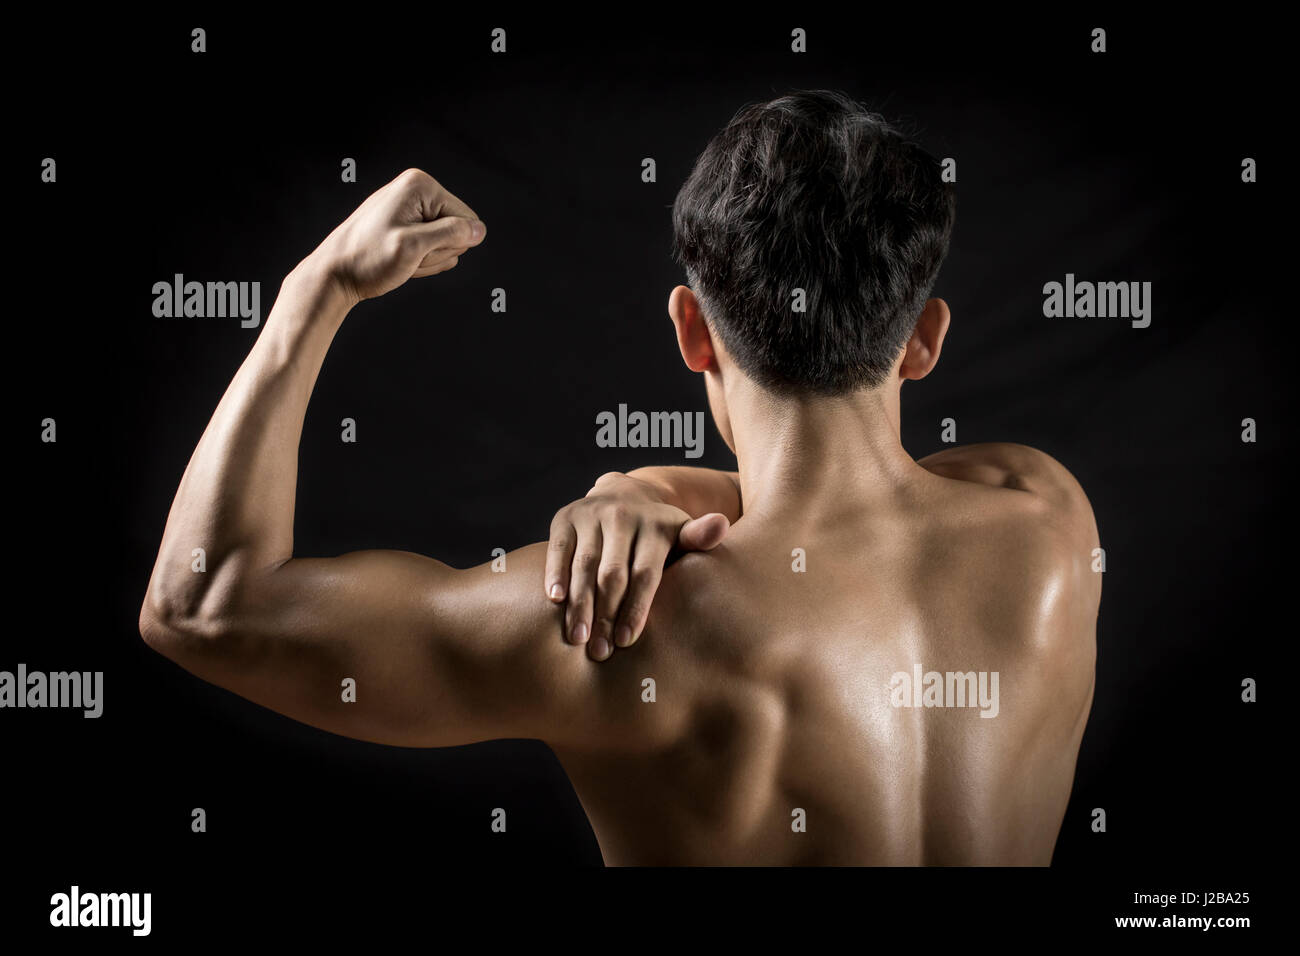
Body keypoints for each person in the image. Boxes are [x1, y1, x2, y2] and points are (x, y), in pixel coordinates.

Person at [140, 91, 1100, 865]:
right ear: (924, 340)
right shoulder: (1045, 519)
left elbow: (203, 604)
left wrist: (317, 289)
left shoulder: (621, 621)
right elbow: (856, 505)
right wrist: (647, 488)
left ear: (689, 328)